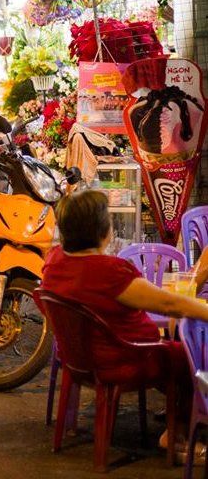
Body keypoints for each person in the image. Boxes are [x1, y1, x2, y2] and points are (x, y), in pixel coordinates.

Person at [42, 190, 208, 456]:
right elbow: (169, 304)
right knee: (188, 354)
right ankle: (176, 436)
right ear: (103, 231)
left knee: (174, 346)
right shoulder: (110, 273)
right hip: (125, 358)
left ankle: (176, 408)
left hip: (79, 358)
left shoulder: (54, 262)